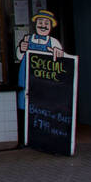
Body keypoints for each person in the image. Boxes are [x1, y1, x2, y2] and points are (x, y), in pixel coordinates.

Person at [15, 8, 64, 136]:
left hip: (44, 82)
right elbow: (19, 57)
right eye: (40, 22)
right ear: (36, 24)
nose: (43, 26)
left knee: (43, 107)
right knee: (25, 106)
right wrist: (21, 48)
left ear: (50, 26)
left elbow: (62, 62)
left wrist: (59, 54)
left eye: (46, 23)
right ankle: (26, 136)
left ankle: (43, 135)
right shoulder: (27, 38)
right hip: (27, 80)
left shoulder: (54, 42)